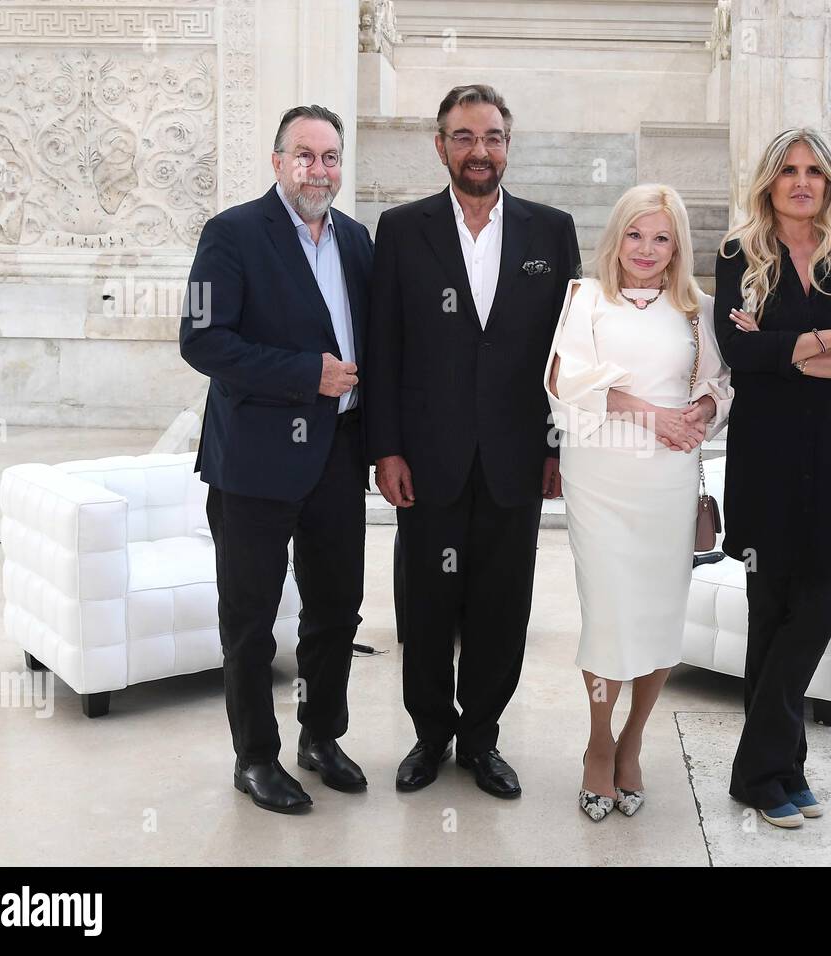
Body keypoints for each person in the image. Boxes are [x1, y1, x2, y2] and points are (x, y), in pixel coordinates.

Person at [367, 84, 581, 799]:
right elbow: (385, 345)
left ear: (508, 147)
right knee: (425, 603)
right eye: (463, 137)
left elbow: (566, 351)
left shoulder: (551, 233)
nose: (479, 150)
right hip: (427, 460)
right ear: (441, 147)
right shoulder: (400, 230)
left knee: (501, 605)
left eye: (491, 137)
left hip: (516, 458)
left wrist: (557, 447)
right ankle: (431, 736)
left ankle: (482, 739)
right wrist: (385, 447)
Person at [180, 105, 373, 814]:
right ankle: (254, 758)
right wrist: (305, 373)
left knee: (335, 610)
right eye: (304, 155)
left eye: (329, 157)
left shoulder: (356, 240)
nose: (318, 169)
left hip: (337, 459)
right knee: (251, 620)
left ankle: (321, 736)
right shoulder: (229, 234)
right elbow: (201, 340)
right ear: (277, 162)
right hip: (255, 462)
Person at [715, 128, 831, 829]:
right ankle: (780, 771)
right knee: (771, 616)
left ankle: (757, 768)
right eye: (788, 170)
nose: (801, 182)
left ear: (830, 183)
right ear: (769, 181)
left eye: (814, 171)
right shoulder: (741, 253)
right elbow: (740, 352)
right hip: (764, 458)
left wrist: (796, 350)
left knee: (818, 609)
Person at [546, 184, 733, 821]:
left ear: (677, 243)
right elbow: (565, 381)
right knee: (608, 616)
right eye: (634, 235)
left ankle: (634, 741)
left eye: (660, 237)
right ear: (615, 237)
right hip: (601, 476)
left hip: (669, 481)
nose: (646, 250)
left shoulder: (695, 308)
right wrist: (656, 415)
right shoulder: (585, 297)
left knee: (657, 617)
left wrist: (700, 412)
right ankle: (598, 744)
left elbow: (719, 384)